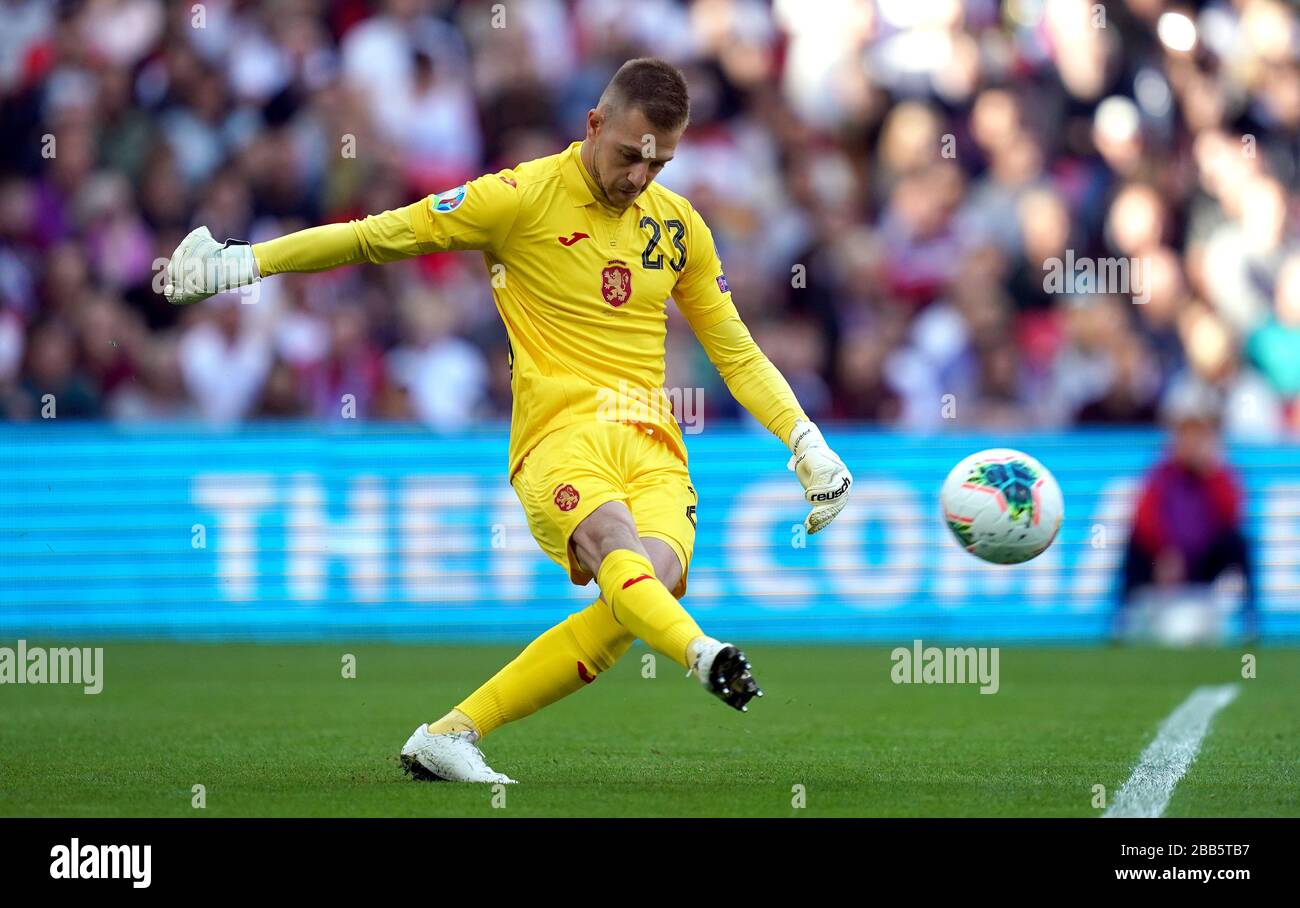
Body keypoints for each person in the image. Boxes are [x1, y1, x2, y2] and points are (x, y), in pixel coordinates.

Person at [162, 59, 853, 783]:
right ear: (593, 124)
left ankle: (450, 735)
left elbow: (736, 352)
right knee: (620, 552)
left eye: (658, 164)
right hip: (560, 437)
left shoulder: (678, 227)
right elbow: (375, 236)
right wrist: (241, 264)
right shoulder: (516, 199)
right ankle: (702, 653)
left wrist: (806, 441)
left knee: (641, 594)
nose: (638, 179)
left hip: (655, 446)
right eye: (627, 156)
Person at [1115, 383, 1257, 641]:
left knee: (1237, 543)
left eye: (1197, 435)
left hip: (1203, 560)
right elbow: (1144, 519)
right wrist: (1164, 551)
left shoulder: (1219, 476)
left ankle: (1251, 620)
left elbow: (1231, 515)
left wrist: (1210, 474)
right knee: (1132, 545)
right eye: (1186, 435)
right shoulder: (1162, 475)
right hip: (1165, 559)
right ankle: (1123, 617)